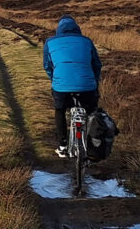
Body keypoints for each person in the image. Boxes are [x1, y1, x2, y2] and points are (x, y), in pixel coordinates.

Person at [43, 15, 101, 157]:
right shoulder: (87, 41)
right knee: (92, 111)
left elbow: (47, 66)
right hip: (87, 86)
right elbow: (97, 64)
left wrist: (54, 79)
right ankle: (94, 142)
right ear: (77, 29)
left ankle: (62, 145)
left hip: (61, 87)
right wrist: (95, 81)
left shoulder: (50, 42)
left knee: (60, 110)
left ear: (59, 29)